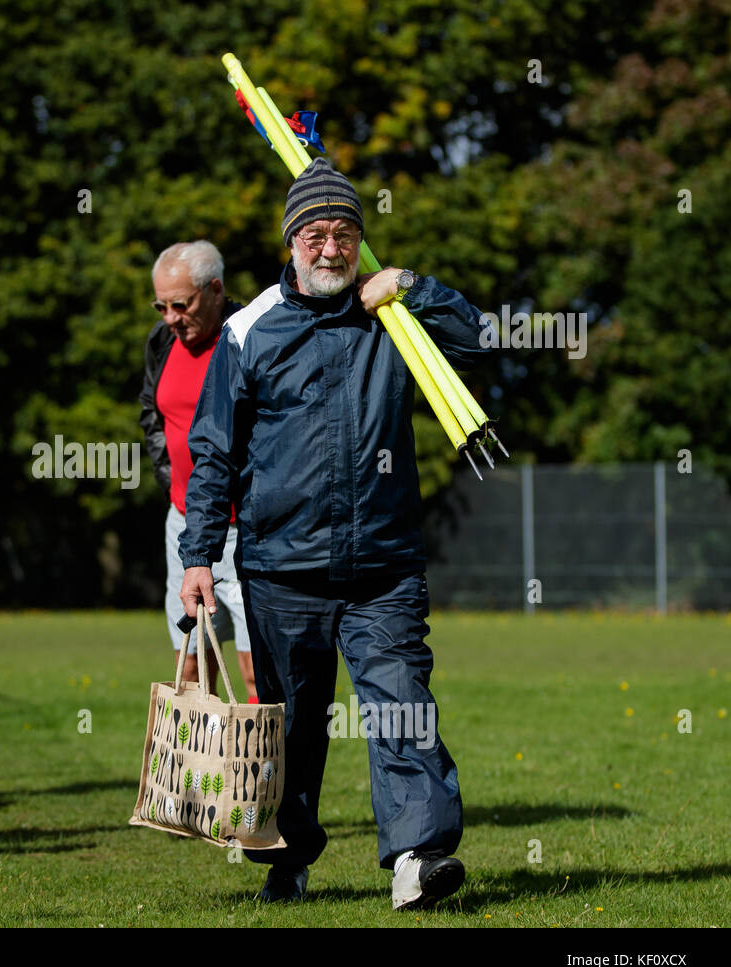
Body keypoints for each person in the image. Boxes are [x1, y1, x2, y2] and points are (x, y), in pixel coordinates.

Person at [179, 158, 493, 909]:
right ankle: (288, 858)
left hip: (383, 566)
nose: (330, 249)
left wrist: (413, 287)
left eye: (345, 234)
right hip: (281, 571)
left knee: (401, 705)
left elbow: (480, 341)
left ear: (361, 242)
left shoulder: (393, 313)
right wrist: (196, 557)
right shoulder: (248, 330)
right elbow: (214, 452)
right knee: (294, 731)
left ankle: (417, 859)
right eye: (314, 234)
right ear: (290, 243)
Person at [140, 241, 256, 700]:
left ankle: (265, 771)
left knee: (256, 671)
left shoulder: (252, 334)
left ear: (215, 290)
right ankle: (201, 771)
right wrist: (171, 480)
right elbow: (152, 411)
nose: (170, 316)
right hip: (183, 524)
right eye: (161, 305)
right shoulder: (161, 340)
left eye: (180, 304)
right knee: (190, 666)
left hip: (244, 530)